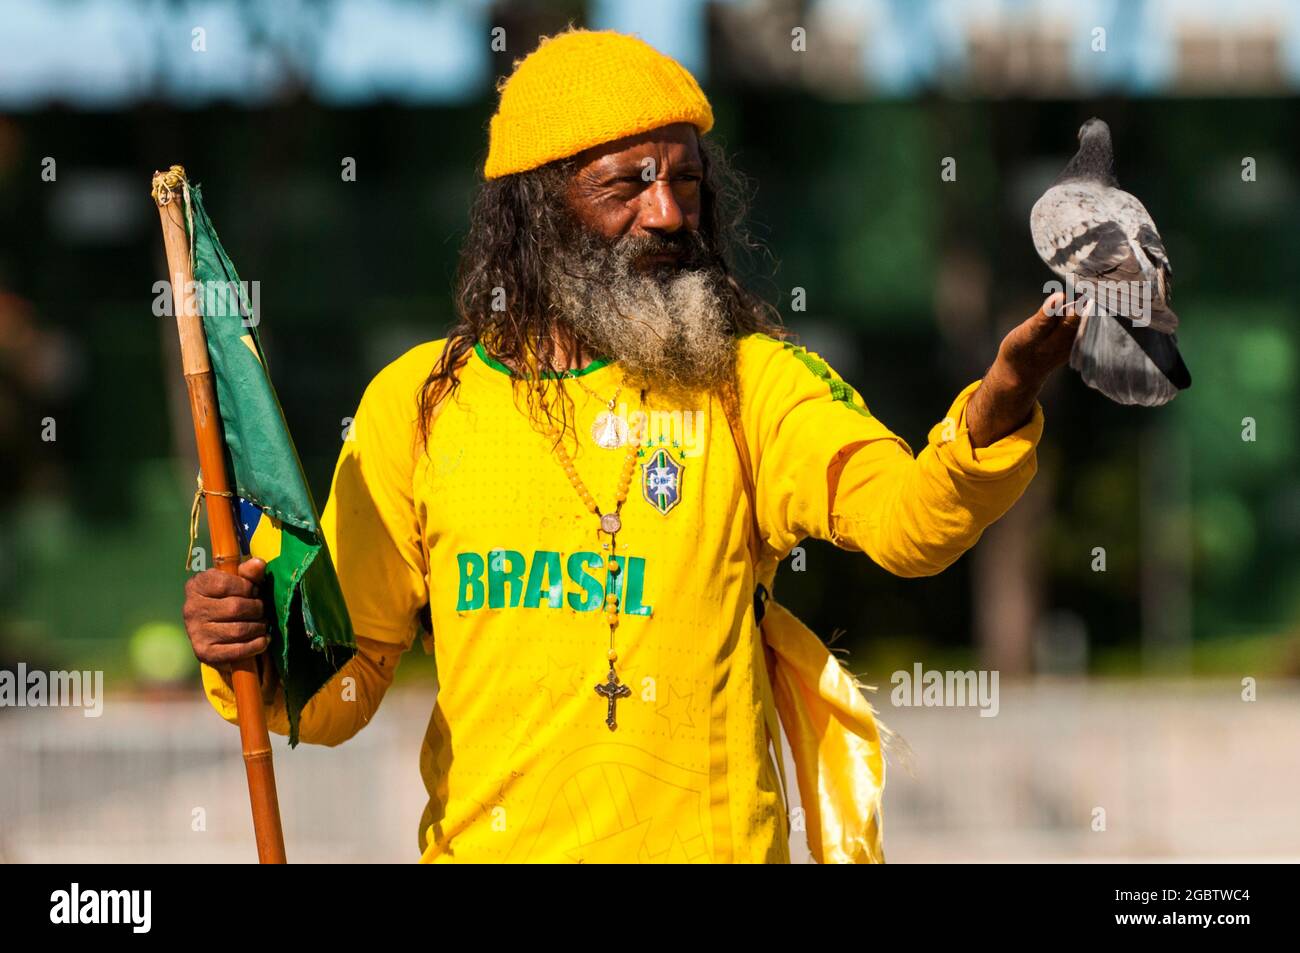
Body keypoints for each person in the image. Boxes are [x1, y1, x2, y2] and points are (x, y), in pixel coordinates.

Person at [181, 28, 1080, 863]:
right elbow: (341, 682)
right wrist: (252, 652)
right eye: (626, 184)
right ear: (536, 210)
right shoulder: (419, 405)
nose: (666, 213)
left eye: (686, 181)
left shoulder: (751, 384)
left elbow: (909, 520)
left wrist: (998, 404)